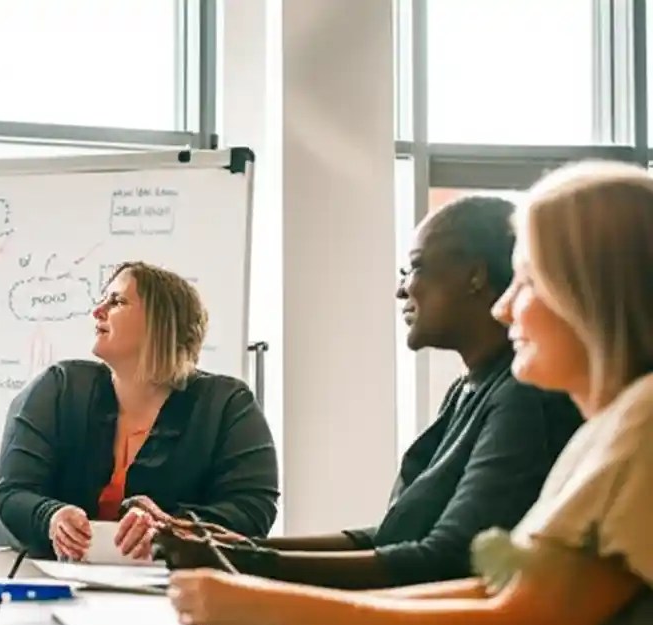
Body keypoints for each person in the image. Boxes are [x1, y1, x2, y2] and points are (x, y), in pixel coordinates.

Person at [170, 160, 653, 625]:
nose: (503, 305)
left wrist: (268, 602)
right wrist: (261, 594)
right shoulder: (613, 428)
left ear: (588, 290)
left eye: (526, 282)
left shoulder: (640, 425)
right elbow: (498, 594)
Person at [161, 196, 582, 589]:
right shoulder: (468, 389)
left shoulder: (524, 396)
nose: (402, 289)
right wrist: (242, 547)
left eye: (416, 267)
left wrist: (244, 565)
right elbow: (395, 536)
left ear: (474, 276)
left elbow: (447, 559)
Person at [0, 261, 280, 561]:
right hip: (44, 579)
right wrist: (51, 517)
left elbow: (253, 509)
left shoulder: (228, 404)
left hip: (170, 589)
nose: (97, 311)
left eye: (116, 301)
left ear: (162, 322)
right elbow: (13, 492)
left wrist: (171, 529)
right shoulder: (58, 388)